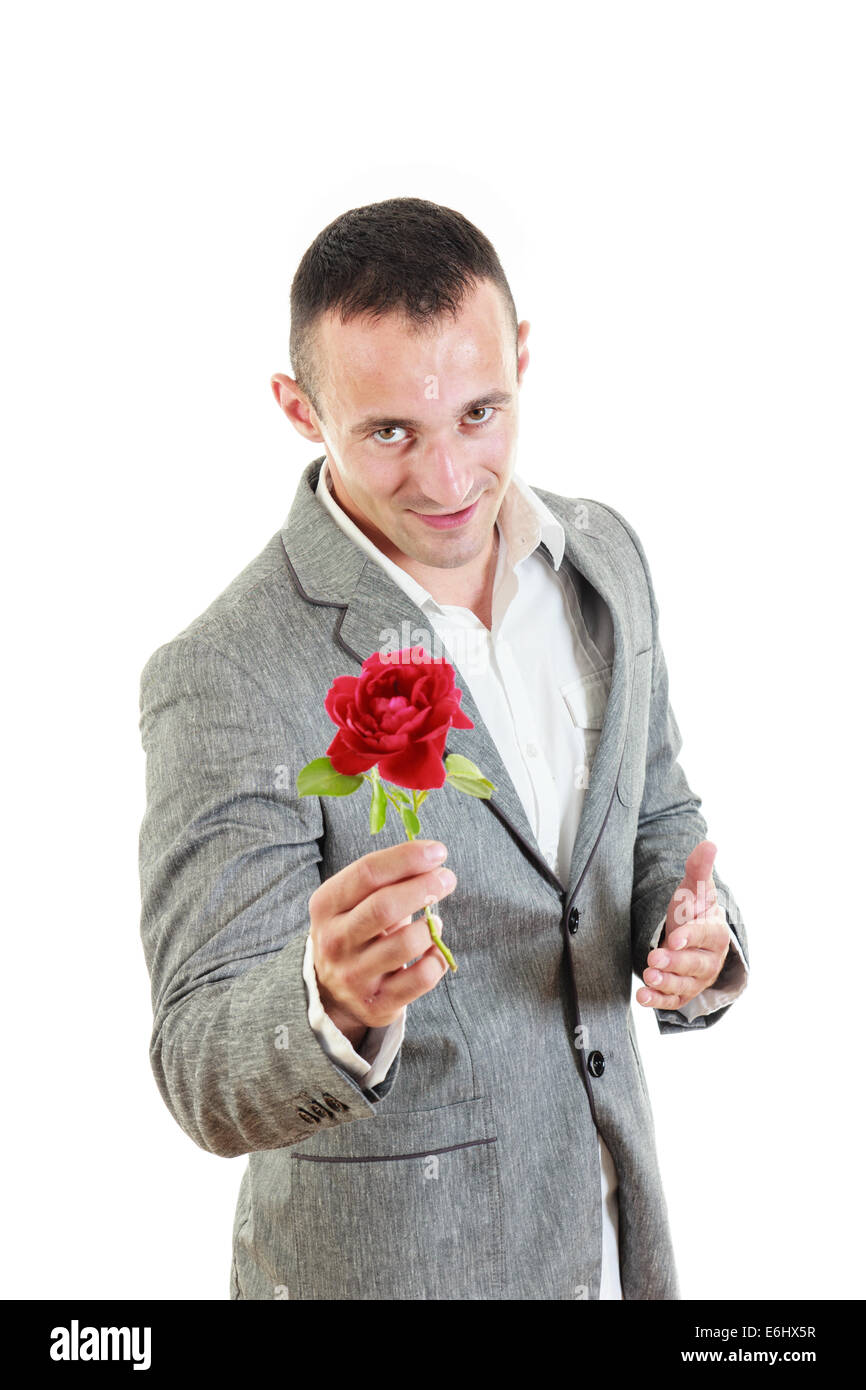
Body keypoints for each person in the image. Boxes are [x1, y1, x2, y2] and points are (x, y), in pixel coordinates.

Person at [138, 196, 748, 1301]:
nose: (449, 477)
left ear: (520, 358)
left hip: (616, 1254)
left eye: (479, 413)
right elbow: (197, 1061)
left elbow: (654, 813)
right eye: (389, 432)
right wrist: (327, 999)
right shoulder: (223, 669)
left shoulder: (602, 555)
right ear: (297, 407)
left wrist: (686, 930)